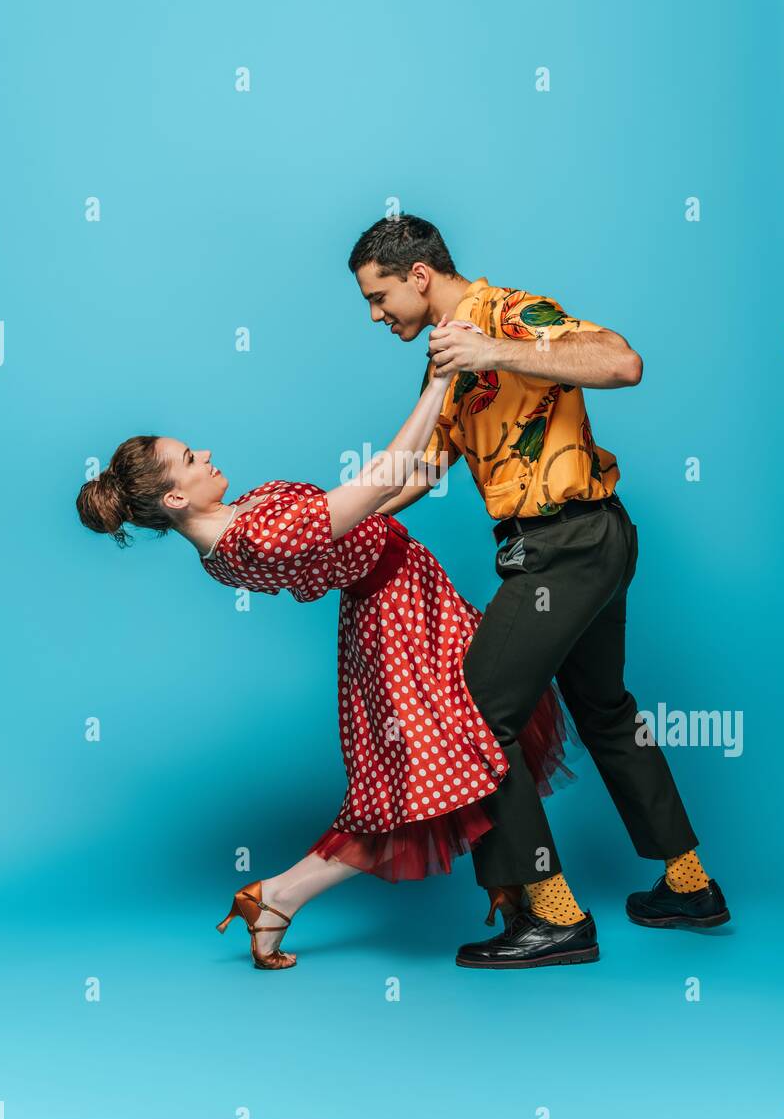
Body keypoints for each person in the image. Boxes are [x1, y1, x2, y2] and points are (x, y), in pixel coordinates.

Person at [75, 344, 585, 970]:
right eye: (188, 459)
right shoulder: (258, 533)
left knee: (453, 760)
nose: (204, 454)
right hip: (398, 619)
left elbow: (381, 500)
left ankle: (295, 899)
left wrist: (445, 429)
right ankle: (523, 905)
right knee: (451, 760)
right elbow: (387, 473)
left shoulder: (234, 526)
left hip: (404, 602)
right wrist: (443, 381)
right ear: (175, 500)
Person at [348, 213, 731, 970]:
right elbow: (420, 471)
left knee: (472, 717)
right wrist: (330, 531)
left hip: (569, 543)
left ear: (418, 275)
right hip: (572, 546)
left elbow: (622, 364)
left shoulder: (505, 314)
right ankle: (689, 887)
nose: (375, 314)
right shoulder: (443, 360)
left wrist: (494, 347)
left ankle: (553, 914)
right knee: (604, 709)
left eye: (378, 295)